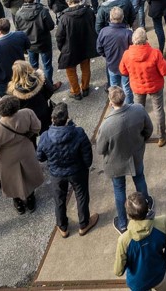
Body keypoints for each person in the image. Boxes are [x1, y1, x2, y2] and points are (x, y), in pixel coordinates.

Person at [35, 101, 98, 237]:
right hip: (77, 171)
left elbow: (40, 157)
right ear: (67, 118)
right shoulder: (78, 133)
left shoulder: (45, 136)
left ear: (52, 119)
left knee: (59, 199)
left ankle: (63, 227)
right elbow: (87, 153)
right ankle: (84, 224)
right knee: (81, 196)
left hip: (56, 173)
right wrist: (86, 165)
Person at [95, 85, 152, 233]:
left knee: (119, 189)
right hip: (136, 156)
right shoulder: (139, 110)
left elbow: (100, 149)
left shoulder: (106, 125)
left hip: (116, 163)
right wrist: (141, 142)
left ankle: (122, 224)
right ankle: (146, 208)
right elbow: (149, 129)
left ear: (111, 102)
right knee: (140, 179)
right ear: (124, 97)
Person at [0, 94, 46, 216]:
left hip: (7, 157)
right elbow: (37, 127)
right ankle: (30, 198)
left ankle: (18, 202)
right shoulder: (27, 113)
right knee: (29, 172)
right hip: (26, 149)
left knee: (12, 179)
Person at [113, 191, 166, 291]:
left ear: (129, 215)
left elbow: (118, 271)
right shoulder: (163, 222)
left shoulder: (124, 240)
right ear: (147, 207)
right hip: (159, 274)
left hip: (138, 283)